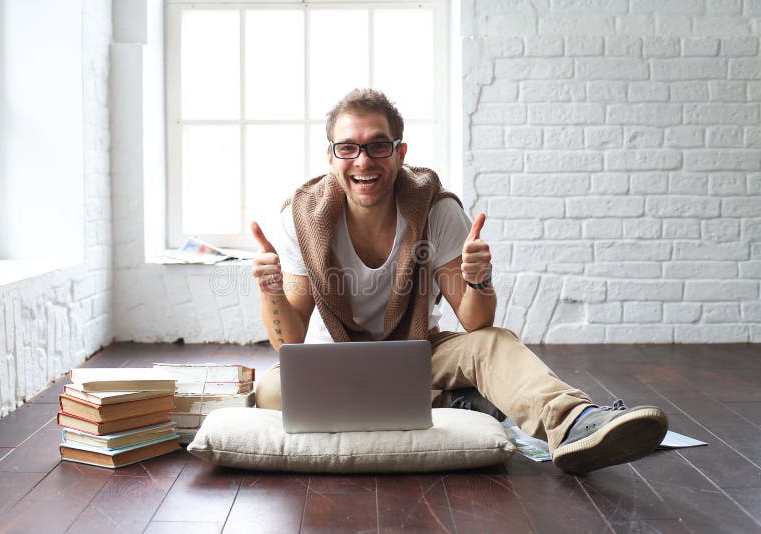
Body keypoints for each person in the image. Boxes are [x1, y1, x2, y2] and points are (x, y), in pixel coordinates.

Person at [250, 88, 667, 475]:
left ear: (399, 153)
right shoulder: (302, 219)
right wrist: (271, 292)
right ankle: (455, 400)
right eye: (348, 148)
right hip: (333, 363)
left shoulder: (435, 209)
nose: (363, 160)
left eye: (378, 145)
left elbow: (475, 323)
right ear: (331, 157)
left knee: (493, 343)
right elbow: (290, 341)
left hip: (415, 351)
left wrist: (479, 280)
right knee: (271, 391)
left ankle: (575, 422)